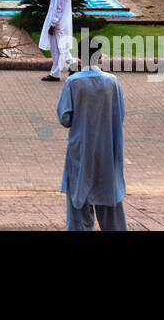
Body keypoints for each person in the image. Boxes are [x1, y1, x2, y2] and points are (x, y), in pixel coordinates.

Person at [57, 56, 127, 231]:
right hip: (107, 150)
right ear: (100, 57)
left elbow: (65, 118)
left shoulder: (73, 83)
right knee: (111, 205)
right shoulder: (112, 82)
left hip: (81, 149)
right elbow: (120, 114)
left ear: (80, 58)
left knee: (78, 208)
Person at [38, 0, 74, 82]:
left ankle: (57, 73)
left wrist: (53, 24)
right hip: (60, 24)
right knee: (61, 49)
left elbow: (58, 9)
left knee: (57, 49)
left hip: (58, 25)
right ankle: (69, 68)